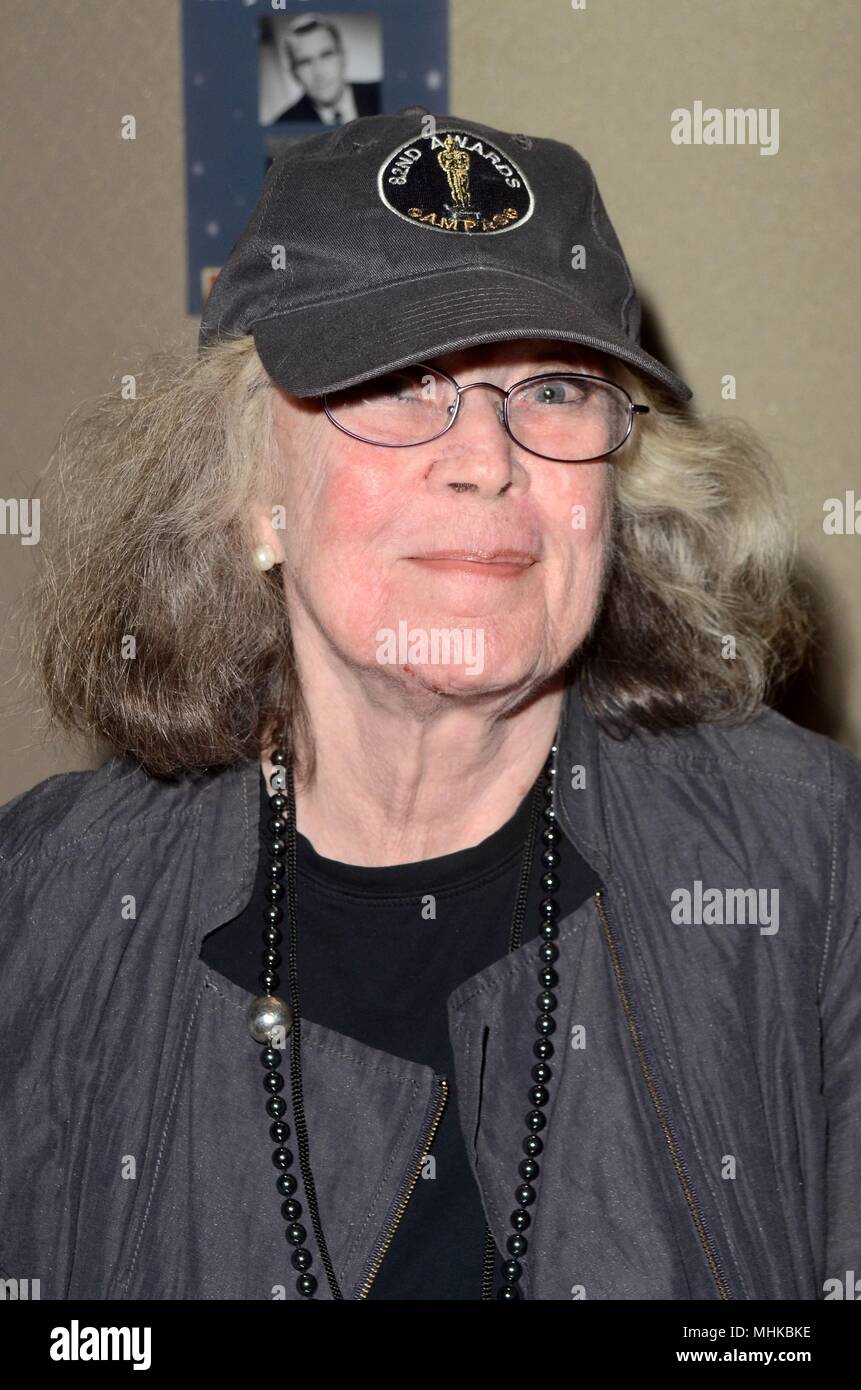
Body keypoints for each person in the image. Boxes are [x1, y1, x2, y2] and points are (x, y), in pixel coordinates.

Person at [1, 108, 859, 1302]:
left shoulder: (819, 867)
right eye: (401, 382)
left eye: (554, 388)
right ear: (251, 493)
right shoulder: (42, 904)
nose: (489, 460)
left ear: (615, 486)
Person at [273, 15, 380, 125]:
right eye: (305, 62)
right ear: (294, 73)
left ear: (343, 57)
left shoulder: (382, 92)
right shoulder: (282, 124)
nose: (318, 73)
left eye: (326, 55)